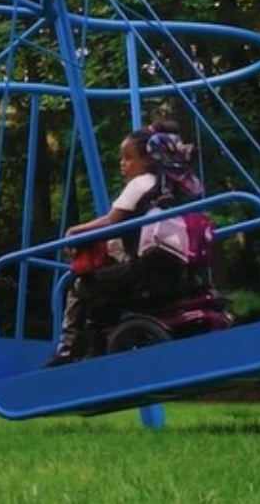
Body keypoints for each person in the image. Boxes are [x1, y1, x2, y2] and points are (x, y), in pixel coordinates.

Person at [45, 123, 201, 367]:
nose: (123, 163)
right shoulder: (168, 186)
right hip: (171, 266)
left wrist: (74, 232)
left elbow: (111, 221)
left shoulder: (139, 184)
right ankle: (100, 340)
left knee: (82, 285)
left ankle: (68, 348)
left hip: (144, 269)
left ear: (147, 161)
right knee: (106, 282)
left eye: (128, 158)